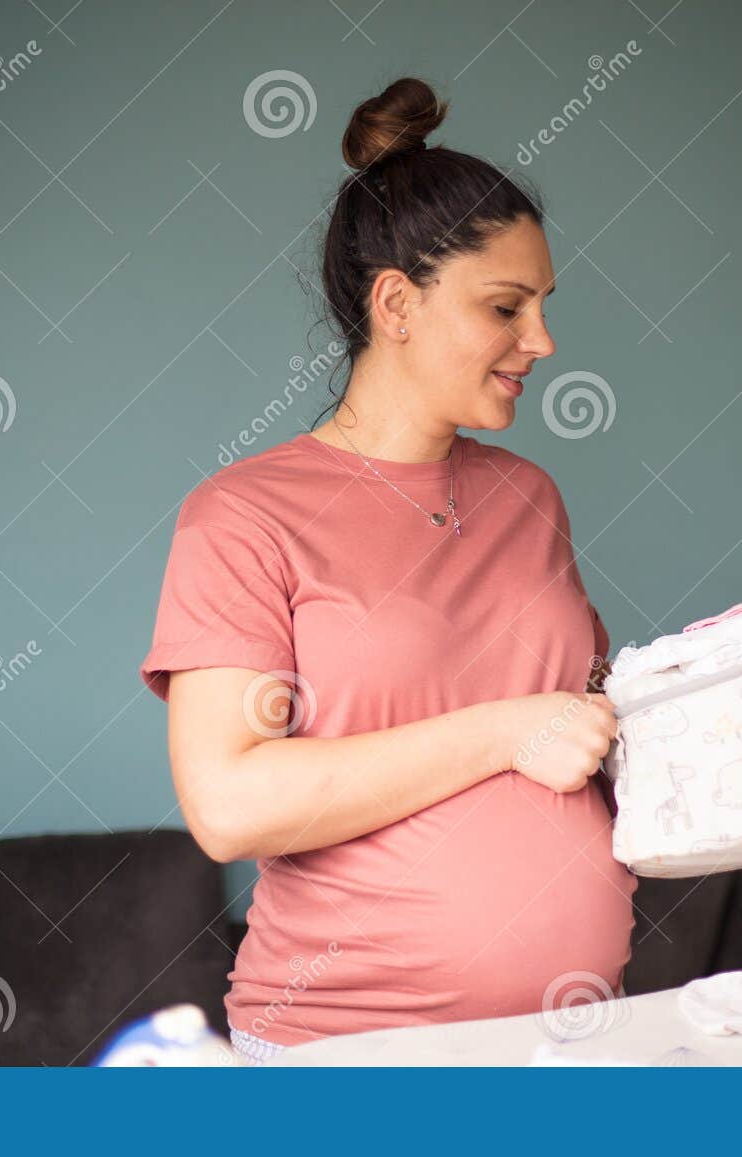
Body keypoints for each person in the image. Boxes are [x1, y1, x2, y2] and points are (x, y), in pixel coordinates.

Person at [138, 77, 634, 1066]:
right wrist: (506, 729)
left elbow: (564, 730)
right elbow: (230, 806)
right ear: (396, 302)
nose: (542, 341)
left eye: (543, 305)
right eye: (506, 305)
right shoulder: (244, 516)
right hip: (354, 1053)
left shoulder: (529, 496)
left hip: (573, 1039)